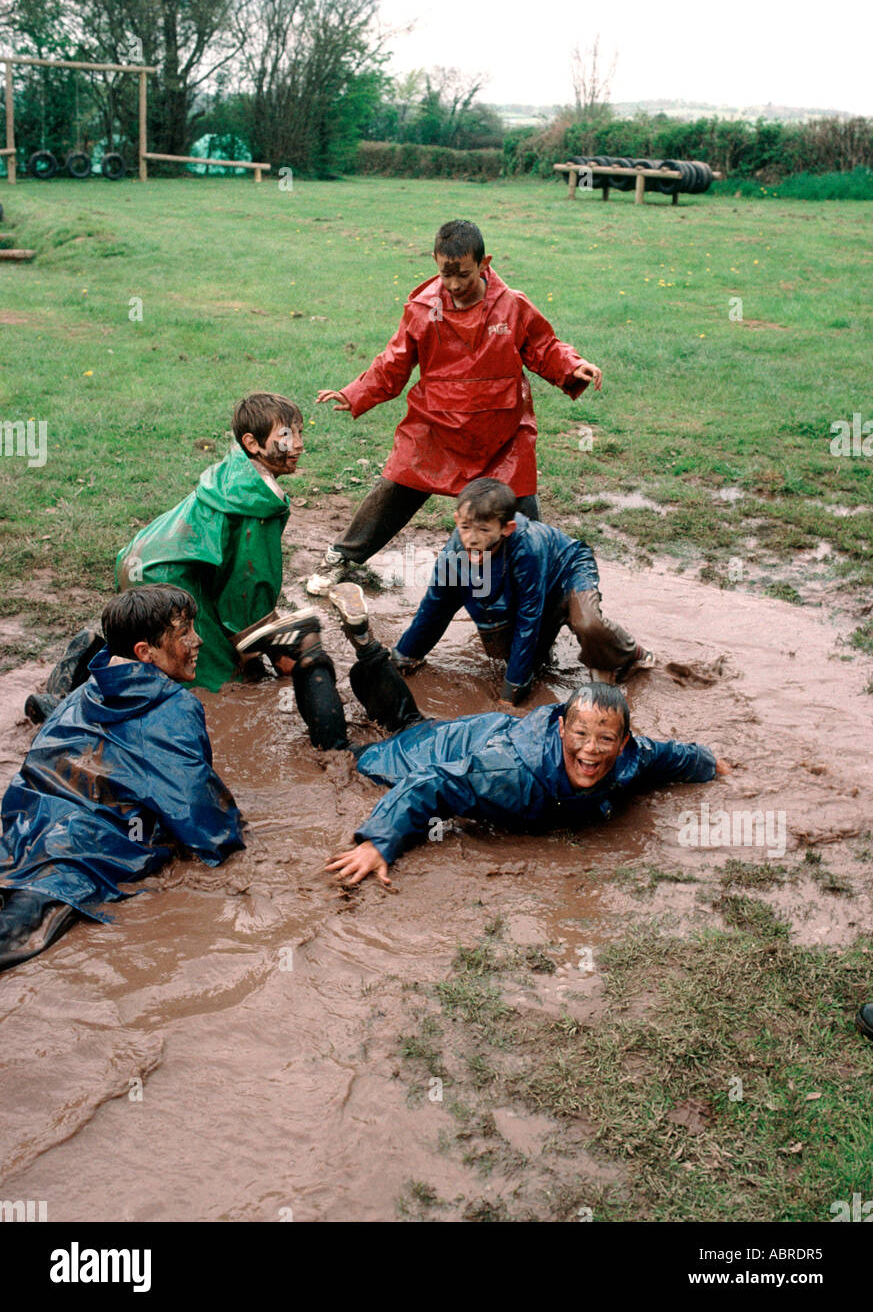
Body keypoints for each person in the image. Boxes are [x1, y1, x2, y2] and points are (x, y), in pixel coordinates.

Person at [25, 393, 349, 745]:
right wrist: (271, 651)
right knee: (213, 679)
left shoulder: (237, 475)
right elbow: (246, 593)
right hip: (167, 580)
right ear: (252, 443)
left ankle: (96, 654)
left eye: (300, 433)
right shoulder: (257, 506)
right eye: (287, 435)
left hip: (144, 560)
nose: (298, 444)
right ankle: (79, 708)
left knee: (169, 649)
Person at [307, 218, 603, 593]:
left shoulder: (512, 305)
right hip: (435, 425)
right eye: (445, 274)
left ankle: (541, 580)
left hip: (502, 433)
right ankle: (342, 558)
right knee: (395, 488)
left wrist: (574, 366)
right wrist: (355, 392)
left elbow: (544, 347)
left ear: (484, 263)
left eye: (463, 274)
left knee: (521, 514)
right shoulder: (421, 308)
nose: (454, 284)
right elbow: (395, 361)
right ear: (434, 260)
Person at [0, 586, 247, 972]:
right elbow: (200, 814)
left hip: (21, 818)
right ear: (145, 653)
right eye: (184, 633)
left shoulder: (86, 688)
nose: (198, 640)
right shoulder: (175, 708)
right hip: (82, 847)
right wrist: (235, 844)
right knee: (24, 925)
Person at [325, 681, 730, 887]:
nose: (591, 751)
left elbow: (674, 756)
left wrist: (715, 765)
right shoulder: (508, 774)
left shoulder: (632, 756)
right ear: (560, 729)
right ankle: (332, 656)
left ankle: (370, 657)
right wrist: (377, 842)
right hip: (421, 756)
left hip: (478, 735)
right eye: (580, 735)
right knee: (349, 753)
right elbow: (429, 782)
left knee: (408, 720)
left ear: (622, 742)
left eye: (605, 739)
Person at [390, 477, 652, 703]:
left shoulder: (528, 547)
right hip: (527, 582)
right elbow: (434, 608)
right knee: (518, 657)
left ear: (507, 528)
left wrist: (510, 694)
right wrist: (404, 657)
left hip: (567, 568)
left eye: (483, 529)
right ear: (457, 519)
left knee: (587, 622)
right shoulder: (453, 557)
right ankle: (544, 649)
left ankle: (632, 653)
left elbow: (529, 615)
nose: (472, 538)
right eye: (466, 527)